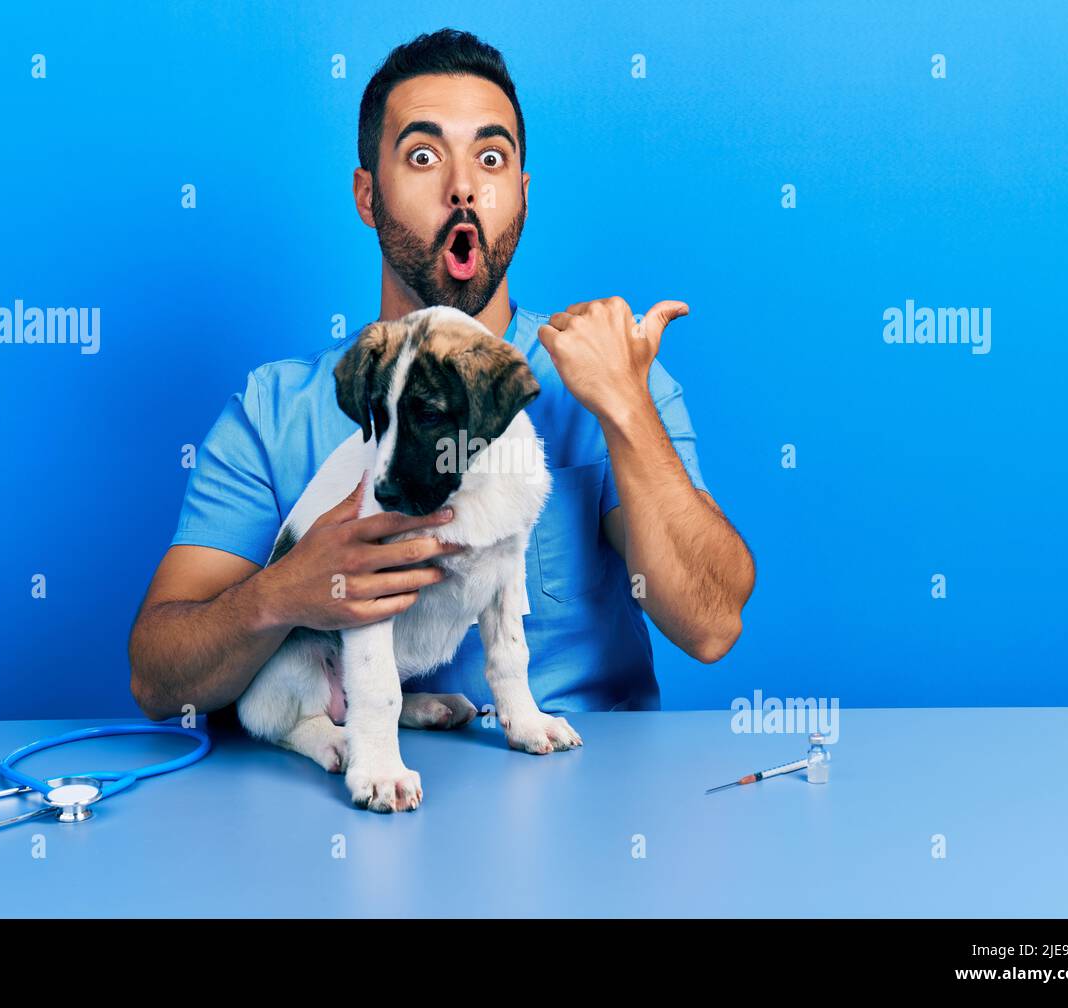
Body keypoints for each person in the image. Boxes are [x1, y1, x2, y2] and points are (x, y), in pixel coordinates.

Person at [128, 29, 754, 730]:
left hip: (584, 789)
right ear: (368, 195)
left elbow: (711, 624)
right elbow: (158, 680)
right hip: (345, 795)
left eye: (490, 159)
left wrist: (626, 409)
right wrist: (283, 594)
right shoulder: (273, 412)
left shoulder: (605, 379)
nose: (463, 188)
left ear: (520, 194)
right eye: (423, 156)